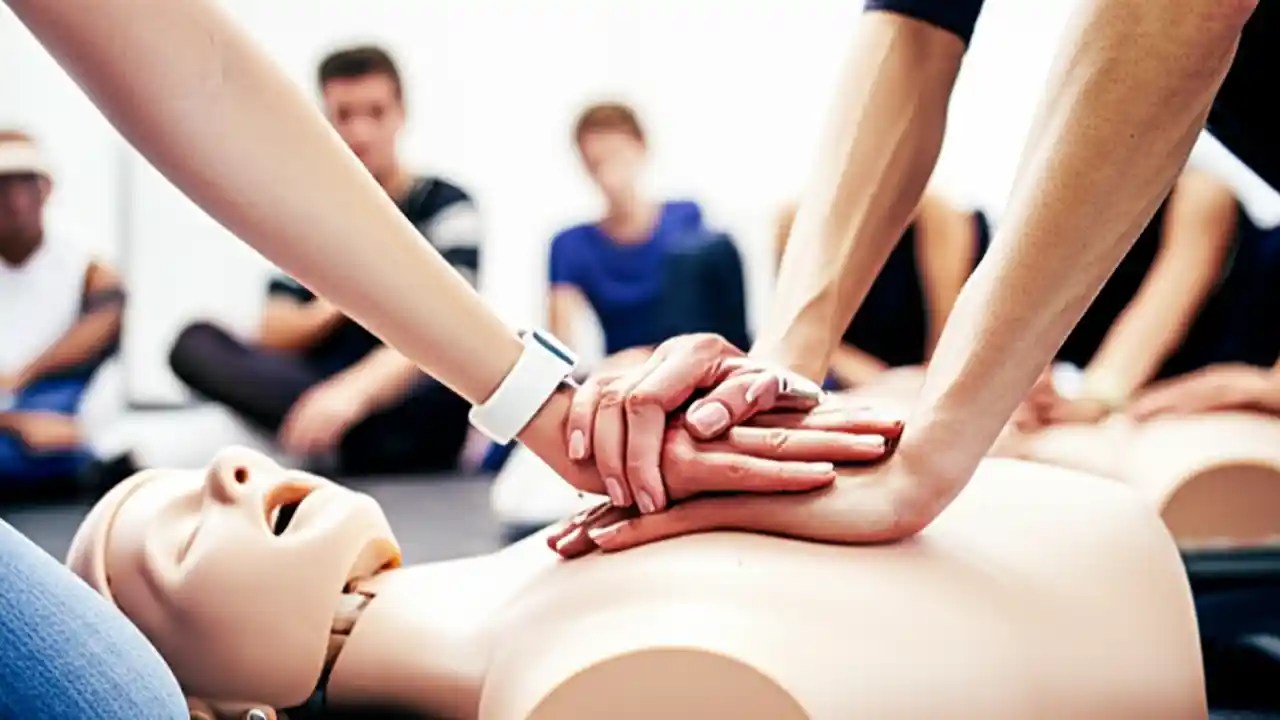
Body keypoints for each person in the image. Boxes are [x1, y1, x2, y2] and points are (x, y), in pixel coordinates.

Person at [558, 0, 1280, 546]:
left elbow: (1177, 11)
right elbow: (914, 27)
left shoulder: (1201, 200)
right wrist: (775, 382)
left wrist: (937, 449)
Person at [65, 446, 1203, 718]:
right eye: (178, 537)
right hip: (1114, 578)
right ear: (224, 709)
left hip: (1092, 554)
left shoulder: (550, 570)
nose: (228, 471)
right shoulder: (575, 680)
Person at [166, 46, 481, 474]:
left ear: (401, 114)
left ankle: (310, 442)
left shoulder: (447, 205)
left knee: (446, 385)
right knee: (195, 343)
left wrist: (353, 394)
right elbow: (276, 328)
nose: (361, 132)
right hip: (316, 387)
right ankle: (330, 443)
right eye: (344, 116)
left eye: (376, 113)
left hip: (405, 398)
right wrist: (345, 293)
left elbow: (449, 327)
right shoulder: (309, 215)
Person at [1014, 169, 1246, 427]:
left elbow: (1164, 305)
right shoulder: (1049, 244)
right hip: (1168, 405)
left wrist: (1095, 400)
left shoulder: (1196, 192)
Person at [548, 102, 750, 360]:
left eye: (616, 157)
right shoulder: (570, 245)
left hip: (690, 361)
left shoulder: (686, 217)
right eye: (596, 163)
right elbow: (562, 340)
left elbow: (711, 311)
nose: (609, 174)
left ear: (642, 148)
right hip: (627, 372)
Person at [0, 131, 124, 492]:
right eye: (2, 185)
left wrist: (24, 377)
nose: (13, 200)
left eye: (24, 183)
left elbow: (102, 329)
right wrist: (16, 422)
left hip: (55, 396)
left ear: (46, 190)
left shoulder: (89, 268)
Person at [774, 195, 990, 389]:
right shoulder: (797, 225)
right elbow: (802, 337)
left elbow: (953, 347)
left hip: (927, 387)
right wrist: (879, 383)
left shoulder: (951, 222)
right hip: (851, 386)